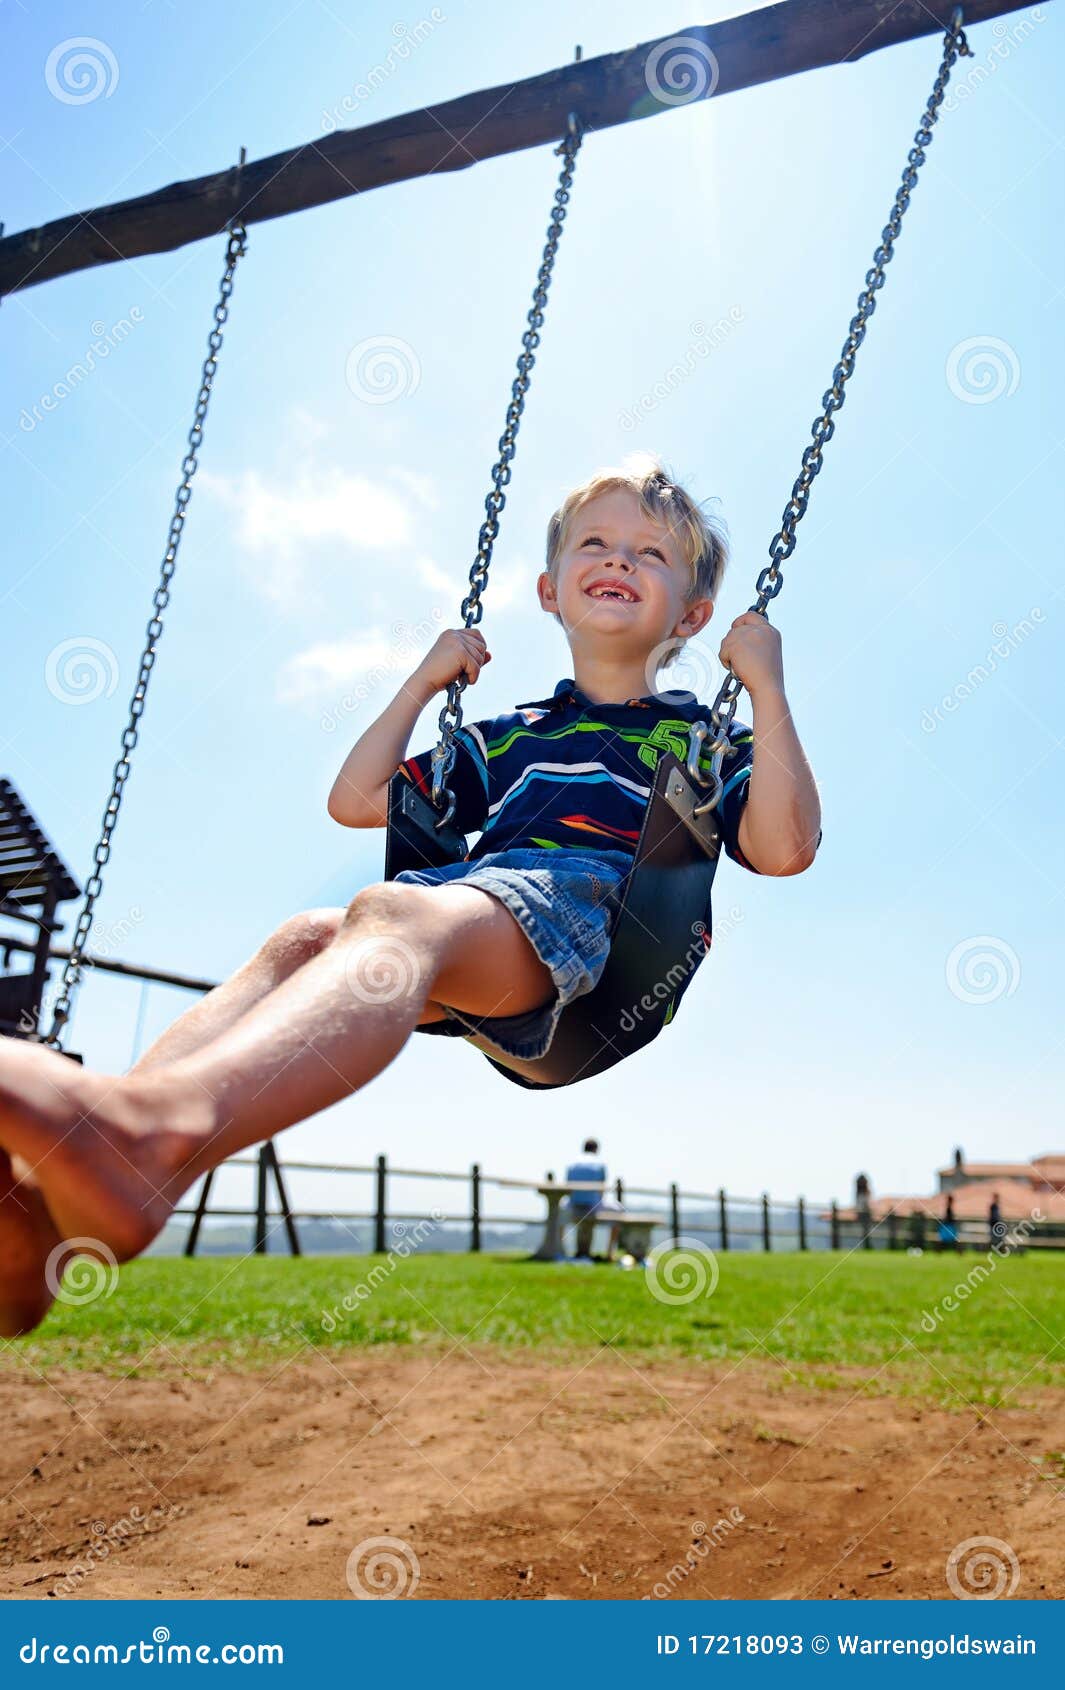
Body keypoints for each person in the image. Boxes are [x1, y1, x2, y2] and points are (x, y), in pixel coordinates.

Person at [0, 458, 822, 1335]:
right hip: (469, 914)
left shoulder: (697, 735)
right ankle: (76, 1179)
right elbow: (355, 800)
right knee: (306, 937)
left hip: (602, 936)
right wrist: (422, 682)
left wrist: (766, 687)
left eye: (649, 553)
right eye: (595, 542)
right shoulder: (508, 737)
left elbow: (783, 849)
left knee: (393, 913)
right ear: (548, 590)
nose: (618, 559)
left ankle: (148, 1131)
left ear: (694, 615)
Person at [565, 1138, 607, 1260]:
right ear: (596, 1149)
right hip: (592, 1205)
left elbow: (567, 1186)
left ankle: (561, 1250)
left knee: (559, 1214)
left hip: (573, 1203)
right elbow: (602, 1188)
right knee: (620, 1210)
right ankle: (610, 1253)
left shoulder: (573, 1163)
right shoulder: (599, 1163)